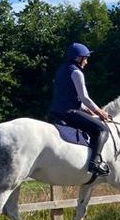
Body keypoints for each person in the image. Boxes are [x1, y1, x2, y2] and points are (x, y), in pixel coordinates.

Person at [47, 42, 112, 178]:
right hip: (69, 112)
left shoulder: (61, 70)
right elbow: (84, 98)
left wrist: (91, 112)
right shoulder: (76, 72)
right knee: (102, 129)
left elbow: (73, 98)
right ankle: (95, 163)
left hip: (55, 111)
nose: (86, 62)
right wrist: (101, 112)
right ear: (78, 58)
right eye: (85, 58)